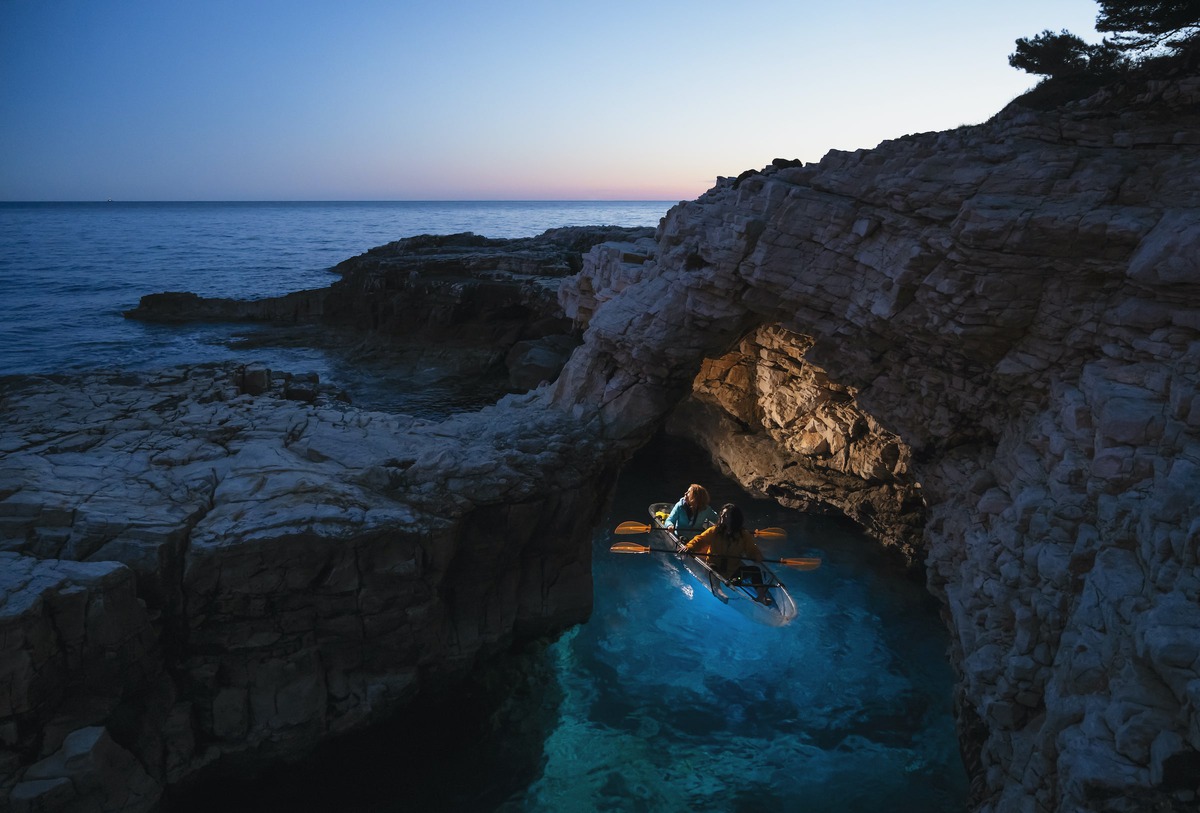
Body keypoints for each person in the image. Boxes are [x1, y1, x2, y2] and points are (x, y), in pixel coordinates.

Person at [684, 503, 772, 604]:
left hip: (733, 571)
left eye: (726, 515)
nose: (722, 516)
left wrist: (756, 556)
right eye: (722, 514)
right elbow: (699, 540)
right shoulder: (715, 531)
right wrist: (689, 547)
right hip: (714, 567)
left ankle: (761, 596)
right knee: (712, 567)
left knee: (755, 570)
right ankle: (717, 589)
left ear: (734, 518)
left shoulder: (744, 535)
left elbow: (752, 550)